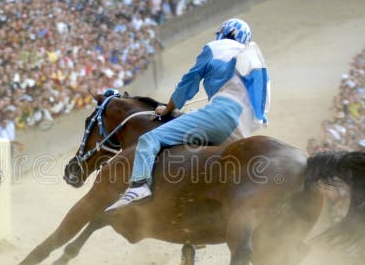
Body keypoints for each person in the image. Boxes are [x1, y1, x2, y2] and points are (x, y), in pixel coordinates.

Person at [106, 18, 269, 210]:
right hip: (243, 128)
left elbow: (189, 82)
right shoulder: (252, 60)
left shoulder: (216, 47)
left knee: (149, 139)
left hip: (222, 113)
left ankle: (139, 186)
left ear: (224, 33)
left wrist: (169, 108)